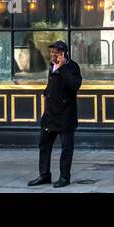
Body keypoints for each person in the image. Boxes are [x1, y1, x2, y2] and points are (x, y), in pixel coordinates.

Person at [29, 40, 82, 188]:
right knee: (44, 145)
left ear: (64, 53)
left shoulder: (72, 67)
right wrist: (47, 91)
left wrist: (63, 68)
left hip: (66, 116)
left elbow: (75, 85)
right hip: (51, 114)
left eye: (57, 52)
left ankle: (65, 177)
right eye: (52, 52)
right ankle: (44, 175)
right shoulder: (52, 66)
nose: (53, 55)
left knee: (66, 148)